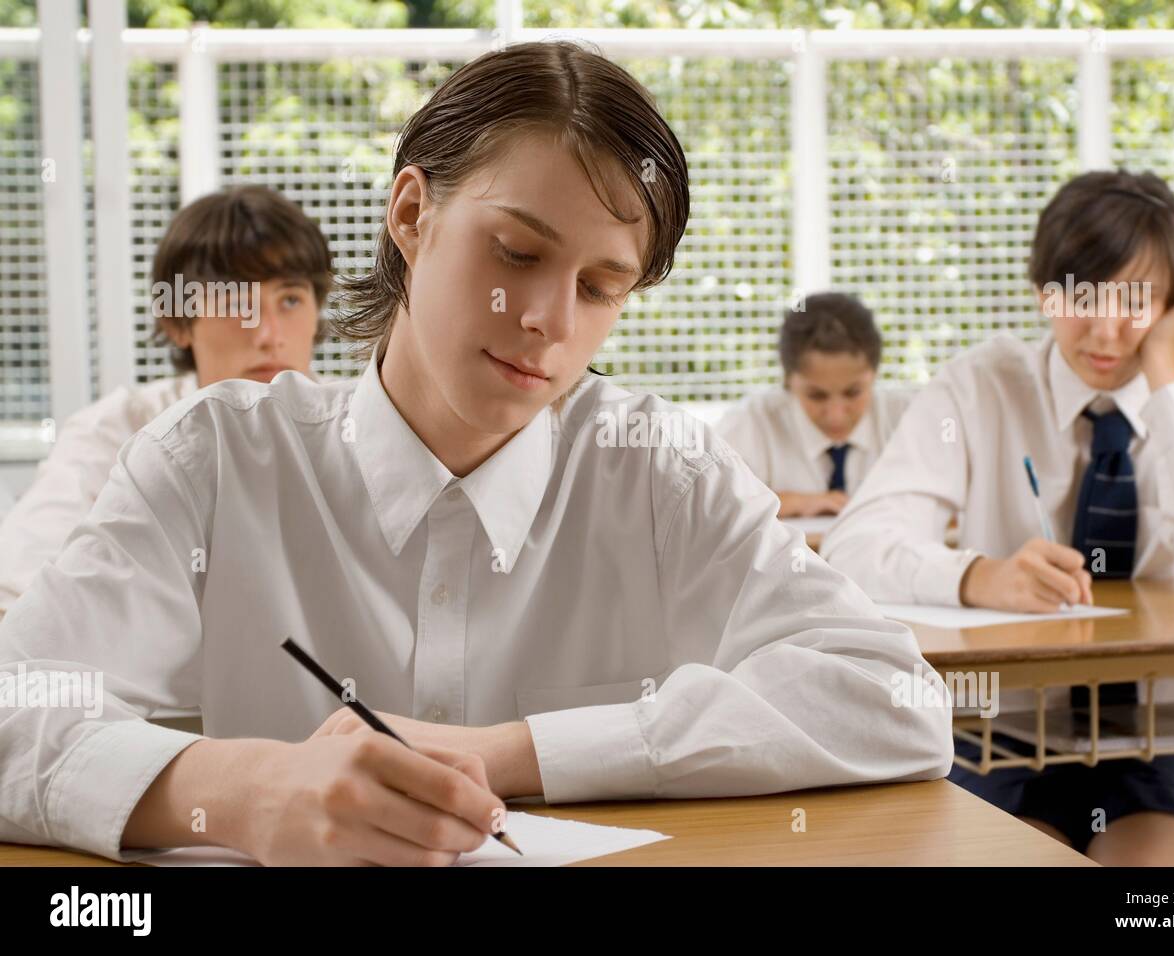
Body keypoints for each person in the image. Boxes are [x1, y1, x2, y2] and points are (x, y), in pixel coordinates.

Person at [0, 41, 951, 867]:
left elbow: (894, 697)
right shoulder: (215, 462)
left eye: (600, 286)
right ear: (411, 215)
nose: (547, 321)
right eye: (515, 253)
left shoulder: (658, 469)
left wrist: (508, 752)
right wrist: (250, 790)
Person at [822, 170, 1174, 866]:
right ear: (1044, 292)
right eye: (1079, 297)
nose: (1104, 330)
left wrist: (1165, 370)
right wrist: (979, 575)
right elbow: (852, 545)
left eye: (1136, 299)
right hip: (997, 739)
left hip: (1161, 744)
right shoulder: (980, 384)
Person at [0, 185, 331, 620]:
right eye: (235, 303)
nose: (269, 333)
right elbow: (18, 598)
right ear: (177, 324)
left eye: (290, 300)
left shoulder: (359, 424)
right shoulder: (117, 429)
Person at [716, 292, 909, 518]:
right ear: (788, 381)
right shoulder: (749, 421)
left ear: (874, 375)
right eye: (817, 396)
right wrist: (793, 503)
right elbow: (713, 508)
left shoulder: (907, 416)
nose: (836, 415)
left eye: (853, 393)